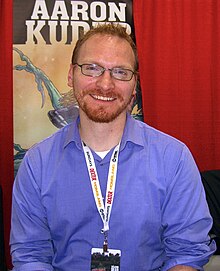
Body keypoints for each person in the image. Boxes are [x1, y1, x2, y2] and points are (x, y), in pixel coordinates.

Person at [10, 24, 215, 271]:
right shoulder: (37, 164)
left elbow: (187, 254)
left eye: (120, 72)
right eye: (92, 68)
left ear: (134, 85)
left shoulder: (174, 158)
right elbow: (31, 256)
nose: (105, 84)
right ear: (70, 75)